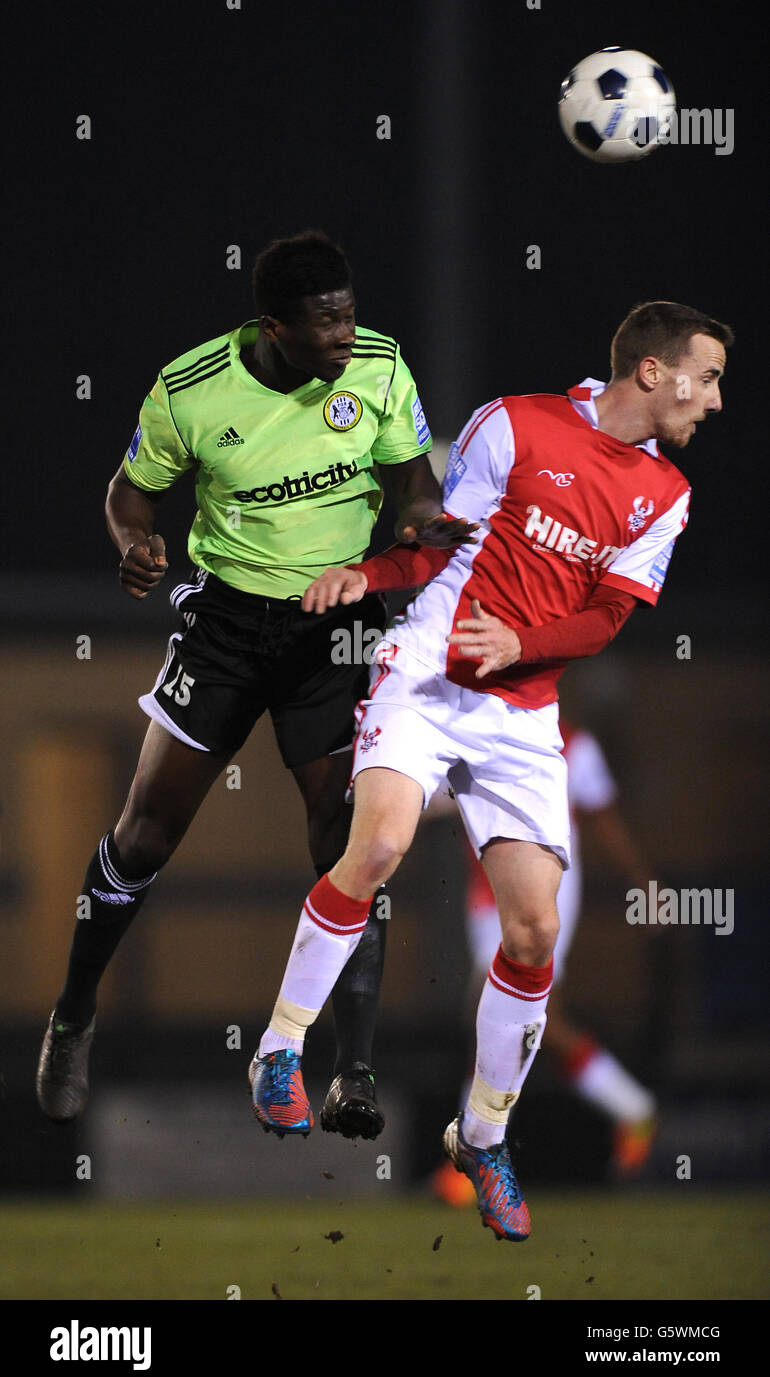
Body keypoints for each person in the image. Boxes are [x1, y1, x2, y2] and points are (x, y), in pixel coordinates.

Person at [246, 300, 731, 1241]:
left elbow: (606, 617)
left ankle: (482, 1136)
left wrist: (522, 642)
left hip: (522, 711)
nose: (713, 400)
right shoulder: (517, 424)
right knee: (380, 842)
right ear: (651, 372)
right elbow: (434, 541)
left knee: (536, 931)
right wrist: (367, 578)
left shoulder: (664, 495)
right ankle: (277, 1050)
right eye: (704, 378)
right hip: (427, 673)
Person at [35, 230, 473, 1133]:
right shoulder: (192, 390)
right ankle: (73, 1016)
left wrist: (427, 520)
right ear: (274, 326)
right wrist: (135, 546)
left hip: (338, 625)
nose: (347, 333)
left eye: (350, 313)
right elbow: (129, 493)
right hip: (230, 624)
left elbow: (411, 485)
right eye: (326, 322)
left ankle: (352, 1069)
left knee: (348, 840)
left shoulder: (381, 370)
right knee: (146, 832)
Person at [430, 717, 660, 1207]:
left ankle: (474, 1158)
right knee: (520, 1021)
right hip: (486, 895)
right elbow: (436, 797)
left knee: (499, 1012)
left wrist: (641, 880)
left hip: (548, 891)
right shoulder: (472, 735)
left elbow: (602, 819)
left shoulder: (574, 743)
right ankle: (630, 1108)